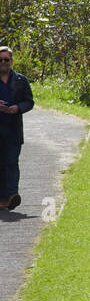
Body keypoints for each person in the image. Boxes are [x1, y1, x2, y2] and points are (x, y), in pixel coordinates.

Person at [0, 45, 34, 212]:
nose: (3, 62)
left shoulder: (21, 80)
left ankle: (12, 195)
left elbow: (29, 101)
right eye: (0, 60)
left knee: (11, 162)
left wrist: (17, 108)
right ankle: (2, 198)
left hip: (13, 129)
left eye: (6, 59)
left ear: (12, 61)